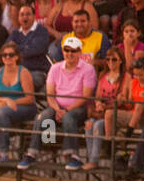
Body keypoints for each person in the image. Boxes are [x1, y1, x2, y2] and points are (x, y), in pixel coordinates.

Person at [19, 35, 97, 169]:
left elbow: (86, 97)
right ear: (62, 51)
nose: (69, 53)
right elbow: (50, 94)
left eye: (73, 51)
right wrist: (57, 109)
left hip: (79, 107)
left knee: (68, 117)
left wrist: (65, 110)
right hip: (57, 106)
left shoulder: (88, 69)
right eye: (67, 50)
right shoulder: (55, 68)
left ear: (79, 52)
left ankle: (73, 156)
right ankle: (34, 152)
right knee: (42, 117)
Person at [0, 40, 37, 159]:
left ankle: (4, 151)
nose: (7, 57)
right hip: (5, 104)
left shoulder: (23, 72)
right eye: (4, 55)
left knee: (2, 112)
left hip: (25, 106)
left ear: (17, 57)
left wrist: (11, 102)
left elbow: (29, 98)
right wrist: (6, 101)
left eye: (11, 55)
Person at [85, 44, 130, 166]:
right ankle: (90, 159)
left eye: (114, 59)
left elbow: (123, 99)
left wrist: (106, 107)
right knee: (88, 125)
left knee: (98, 125)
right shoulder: (103, 76)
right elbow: (98, 96)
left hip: (116, 112)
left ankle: (94, 160)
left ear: (120, 61)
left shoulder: (126, 77)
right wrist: (98, 103)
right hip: (102, 111)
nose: (110, 62)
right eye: (108, 59)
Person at [11, 2, 52, 84]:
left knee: (25, 81)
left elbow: (33, 50)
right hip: (18, 71)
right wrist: (25, 47)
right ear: (18, 18)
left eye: (28, 14)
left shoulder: (41, 30)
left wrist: (16, 47)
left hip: (36, 71)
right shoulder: (15, 33)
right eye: (22, 15)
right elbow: (6, 49)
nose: (25, 17)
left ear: (34, 16)